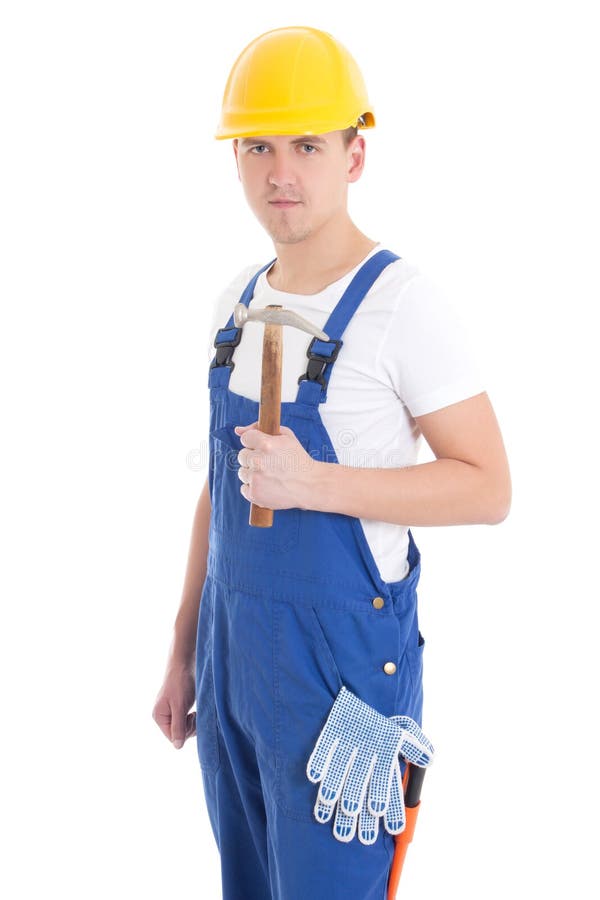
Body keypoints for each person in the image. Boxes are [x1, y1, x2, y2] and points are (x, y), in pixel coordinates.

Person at [152, 25, 511, 900]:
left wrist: (315, 484)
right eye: (259, 147)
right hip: (230, 653)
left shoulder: (403, 306)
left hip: (339, 677)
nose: (282, 173)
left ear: (355, 154)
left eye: (308, 145)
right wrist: (182, 645)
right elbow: (220, 484)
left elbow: (489, 487)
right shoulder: (236, 303)